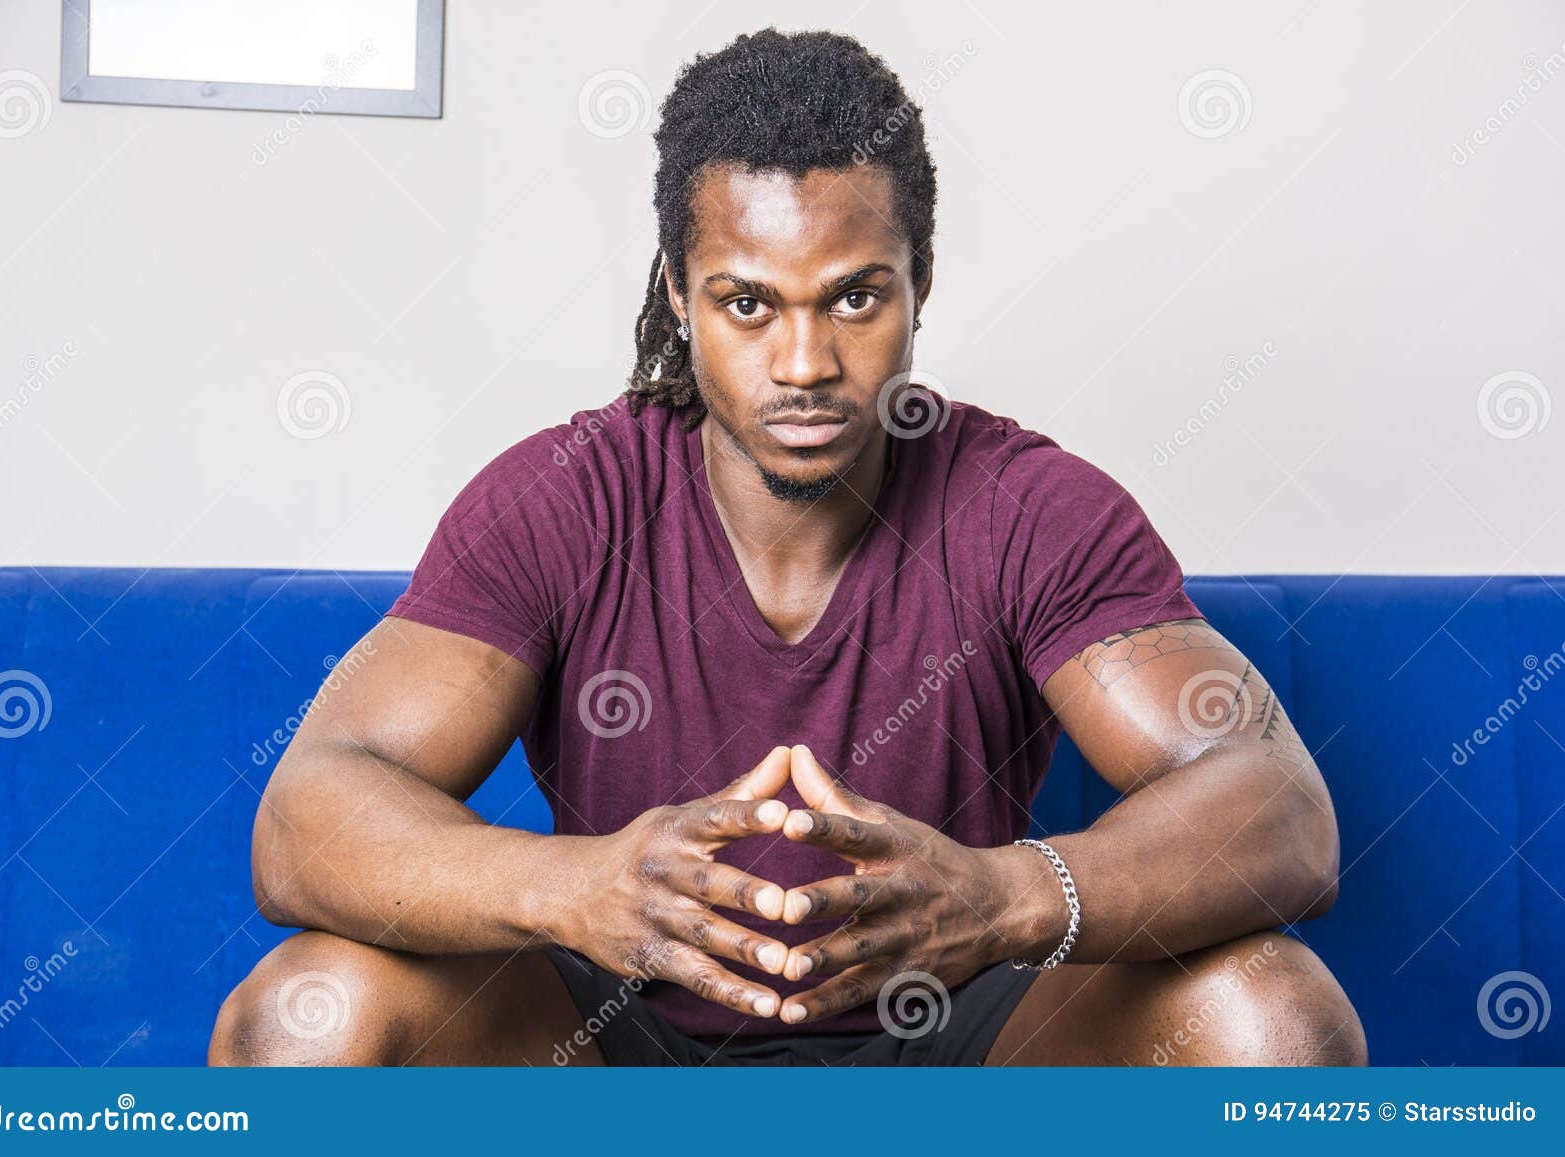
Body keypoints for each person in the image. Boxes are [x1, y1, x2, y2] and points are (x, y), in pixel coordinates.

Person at [208, 28, 1365, 1067]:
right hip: (610, 1051)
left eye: (855, 298)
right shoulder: (565, 498)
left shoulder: (1028, 505)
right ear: (678, 291)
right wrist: (574, 882)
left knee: (1267, 1009)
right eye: (748, 303)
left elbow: (1276, 806)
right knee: (312, 1004)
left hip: (949, 1043)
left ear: (922, 283)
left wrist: (1005, 895)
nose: (805, 361)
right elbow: (306, 816)